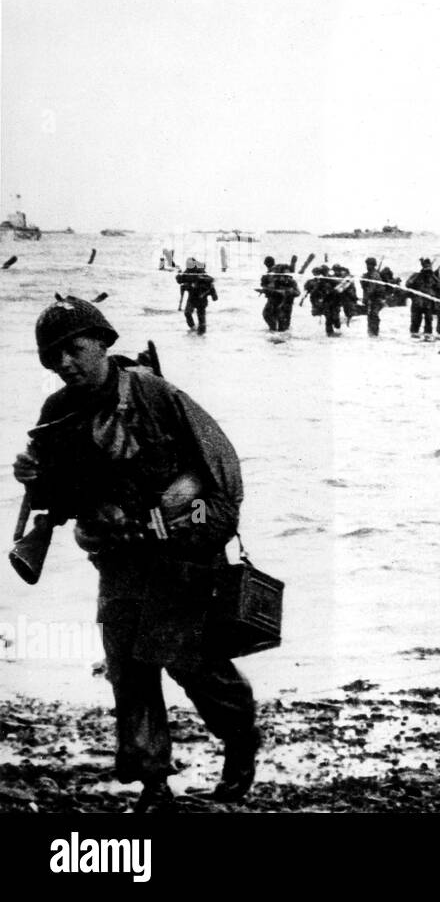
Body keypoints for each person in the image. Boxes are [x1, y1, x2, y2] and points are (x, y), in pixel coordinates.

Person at [13, 296, 257, 811]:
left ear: (102, 342)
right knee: (128, 670)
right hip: (119, 562)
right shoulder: (58, 412)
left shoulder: (156, 395)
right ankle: (154, 783)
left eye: (74, 350)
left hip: (181, 556)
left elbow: (222, 476)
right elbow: (62, 497)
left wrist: (188, 527)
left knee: (193, 665)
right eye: (52, 358)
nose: (64, 364)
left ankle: (239, 740)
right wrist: (37, 482)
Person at [176, 259, 218, 335]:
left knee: (202, 324)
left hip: (201, 299)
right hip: (192, 298)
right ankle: (193, 328)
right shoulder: (187, 272)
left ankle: (201, 337)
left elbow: (211, 280)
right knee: (187, 313)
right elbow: (180, 280)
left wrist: (201, 279)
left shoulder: (200, 272)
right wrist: (178, 276)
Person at [407, 259, 437, 339]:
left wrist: (433, 275)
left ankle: (427, 336)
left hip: (428, 303)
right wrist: (420, 275)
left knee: (428, 321)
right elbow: (408, 284)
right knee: (415, 321)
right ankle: (414, 337)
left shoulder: (432, 277)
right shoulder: (416, 275)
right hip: (417, 302)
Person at [360, 258, 385, 337]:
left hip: (376, 299)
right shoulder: (368, 274)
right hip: (371, 299)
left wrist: (366, 298)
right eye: (367, 264)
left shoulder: (375, 275)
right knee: (370, 315)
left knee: (373, 315)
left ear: (373, 265)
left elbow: (371, 289)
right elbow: (364, 286)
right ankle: (371, 333)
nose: (368, 266)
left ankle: (374, 333)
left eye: (370, 265)